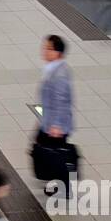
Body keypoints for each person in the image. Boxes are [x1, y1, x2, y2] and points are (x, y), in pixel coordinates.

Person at [34, 34, 76, 197]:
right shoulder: (54, 68)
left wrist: (57, 125)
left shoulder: (59, 74)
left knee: (55, 154)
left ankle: (64, 187)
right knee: (48, 150)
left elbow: (61, 101)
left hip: (56, 125)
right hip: (50, 121)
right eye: (45, 47)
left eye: (49, 49)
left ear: (58, 52)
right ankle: (57, 182)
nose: (44, 51)